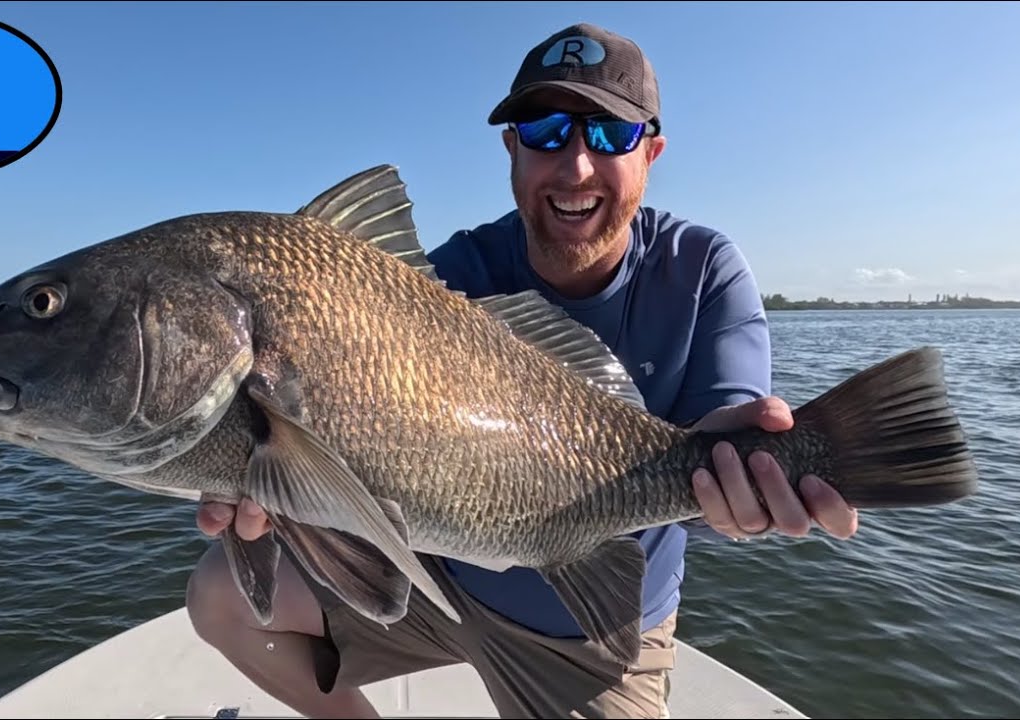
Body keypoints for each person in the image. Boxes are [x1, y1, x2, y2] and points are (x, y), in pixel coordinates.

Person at [185, 22, 859, 719]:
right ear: (511, 147)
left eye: (609, 135)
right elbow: (364, 444)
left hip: (587, 630)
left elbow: (727, 460)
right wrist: (276, 491)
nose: (575, 167)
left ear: (651, 152)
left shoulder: (702, 271)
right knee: (218, 596)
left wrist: (741, 479)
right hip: (435, 580)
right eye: (544, 131)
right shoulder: (438, 282)